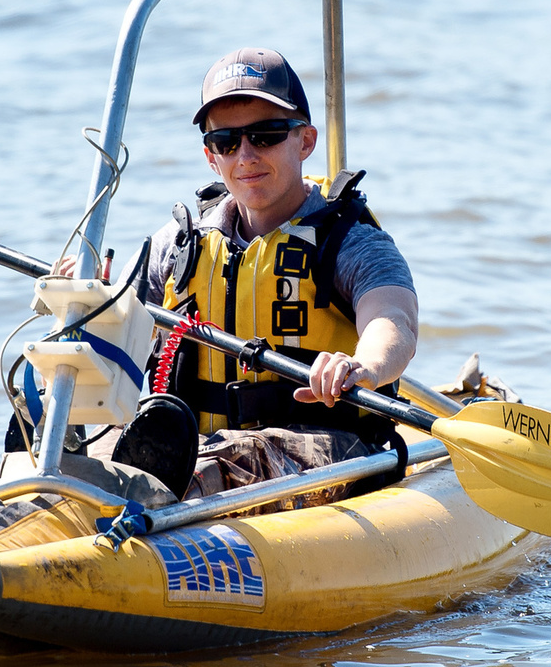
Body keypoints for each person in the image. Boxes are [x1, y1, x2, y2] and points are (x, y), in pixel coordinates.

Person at [44, 48, 419, 504]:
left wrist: (364, 366)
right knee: (75, 450)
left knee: (232, 456)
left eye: (265, 135)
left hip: (333, 449)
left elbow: (393, 318)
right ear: (210, 156)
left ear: (304, 141)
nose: (245, 155)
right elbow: (110, 356)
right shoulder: (178, 246)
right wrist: (84, 307)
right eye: (226, 141)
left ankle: (152, 506)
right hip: (192, 447)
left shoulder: (350, 242)